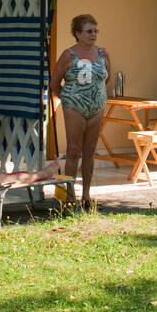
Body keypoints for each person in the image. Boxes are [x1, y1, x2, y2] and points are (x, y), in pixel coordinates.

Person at [52, 14, 111, 210]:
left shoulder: (103, 54)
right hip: (74, 107)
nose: (93, 34)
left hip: (96, 107)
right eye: (89, 31)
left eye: (95, 31)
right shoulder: (69, 55)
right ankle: (68, 196)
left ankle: (86, 194)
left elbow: (106, 78)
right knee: (73, 150)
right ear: (78, 33)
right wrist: (69, 99)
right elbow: (54, 83)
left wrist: (97, 96)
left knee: (90, 151)